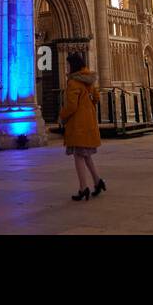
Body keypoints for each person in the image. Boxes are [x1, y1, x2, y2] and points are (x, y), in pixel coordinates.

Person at [59, 52, 106, 201]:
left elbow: (72, 106)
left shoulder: (73, 82)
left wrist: (61, 116)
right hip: (89, 123)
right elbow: (97, 98)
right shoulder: (89, 80)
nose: (66, 67)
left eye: (68, 64)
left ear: (72, 66)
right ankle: (98, 181)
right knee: (86, 155)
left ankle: (83, 187)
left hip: (78, 124)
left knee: (78, 156)